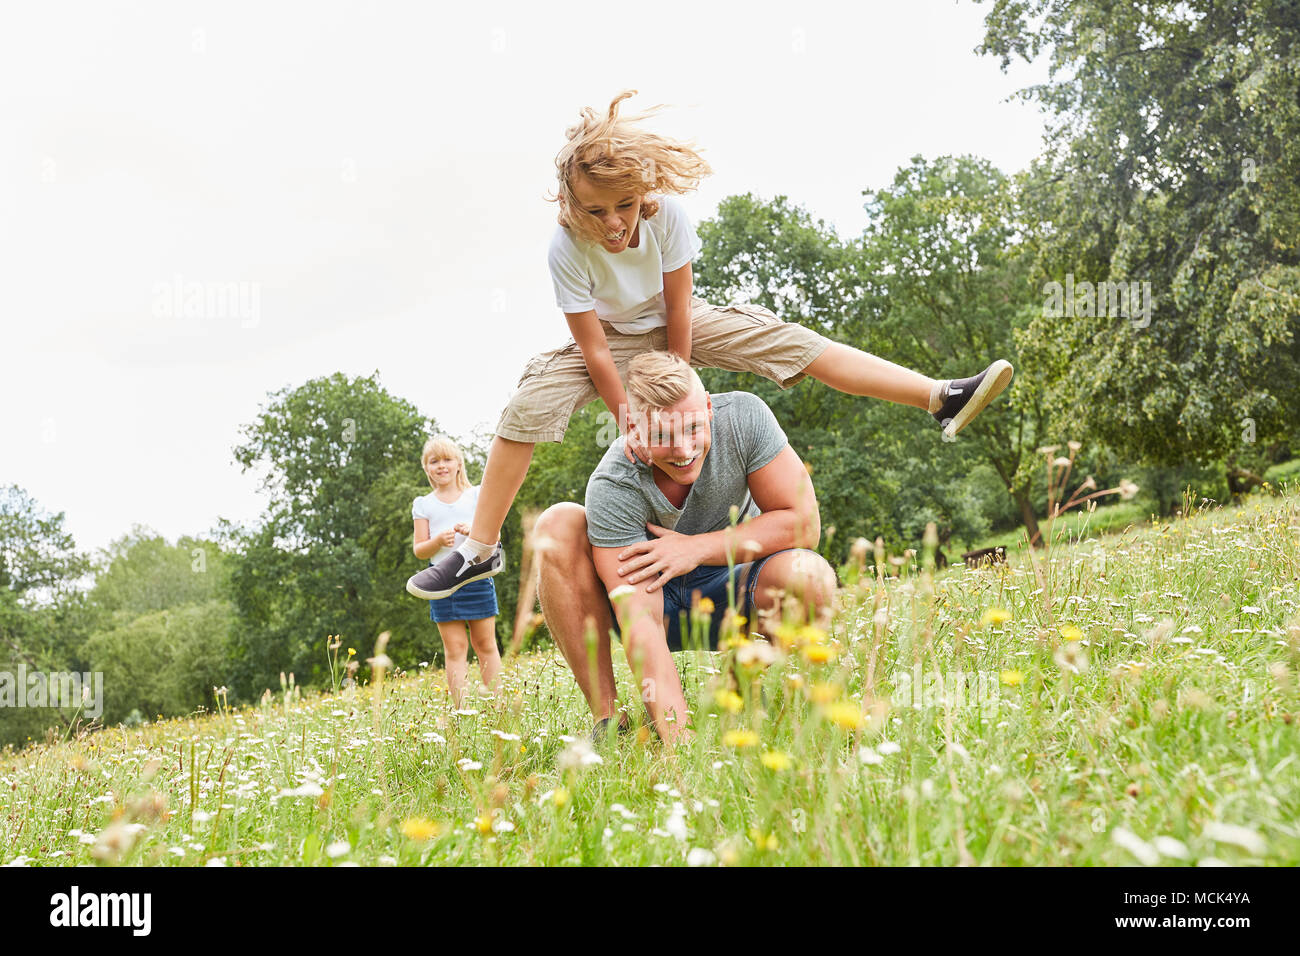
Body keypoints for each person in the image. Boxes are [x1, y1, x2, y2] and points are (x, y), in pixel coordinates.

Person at [407, 90, 1011, 602]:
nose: (615, 222)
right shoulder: (565, 247)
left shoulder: (667, 216)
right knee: (525, 407)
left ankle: (940, 395)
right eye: (597, 210)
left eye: (624, 206)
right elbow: (593, 349)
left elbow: (676, 310)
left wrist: (678, 388)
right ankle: (479, 550)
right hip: (610, 341)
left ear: (643, 192)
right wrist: (630, 424)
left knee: (787, 340)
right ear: (571, 205)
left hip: (679, 324)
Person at [533, 351, 839, 746]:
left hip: (730, 587)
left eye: (693, 428)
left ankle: (740, 686)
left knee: (809, 576)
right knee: (556, 522)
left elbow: (804, 524)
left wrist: (694, 549)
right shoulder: (614, 483)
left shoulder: (746, 417)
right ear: (635, 431)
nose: (682, 450)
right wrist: (681, 747)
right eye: (661, 435)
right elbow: (641, 623)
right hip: (649, 603)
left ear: (709, 407)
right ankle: (610, 722)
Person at [411, 436, 501, 705]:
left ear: (459, 464)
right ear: (426, 468)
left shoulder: (476, 495)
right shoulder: (423, 504)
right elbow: (419, 549)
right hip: (441, 582)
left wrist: (473, 531)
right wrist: (437, 541)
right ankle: (461, 710)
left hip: (476, 576)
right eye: (434, 461)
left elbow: (494, 537)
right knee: (455, 649)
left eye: (447, 459)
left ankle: (498, 706)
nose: (441, 466)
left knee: (485, 644)